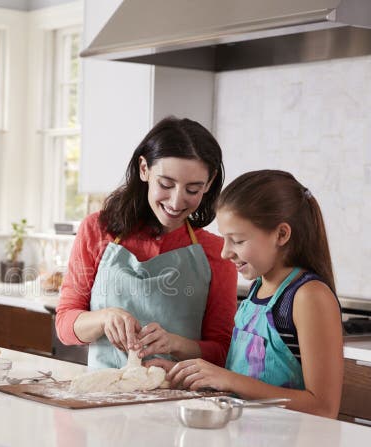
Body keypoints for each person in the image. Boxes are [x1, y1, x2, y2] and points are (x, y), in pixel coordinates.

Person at [153, 170, 344, 418]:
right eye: (225, 239)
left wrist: (228, 380)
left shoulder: (308, 296)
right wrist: (187, 374)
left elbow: (323, 408)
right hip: (247, 446)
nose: (225, 253)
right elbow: (245, 379)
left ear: (281, 235)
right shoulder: (257, 289)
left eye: (238, 241)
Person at [55, 116, 238, 369]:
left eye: (193, 190)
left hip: (181, 402)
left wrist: (174, 344)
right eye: (166, 184)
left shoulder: (217, 252)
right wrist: (104, 318)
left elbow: (222, 351)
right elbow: (65, 325)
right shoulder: (97, 230)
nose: (176, 202)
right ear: (144, 169)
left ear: (209, 182)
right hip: (102, 397)